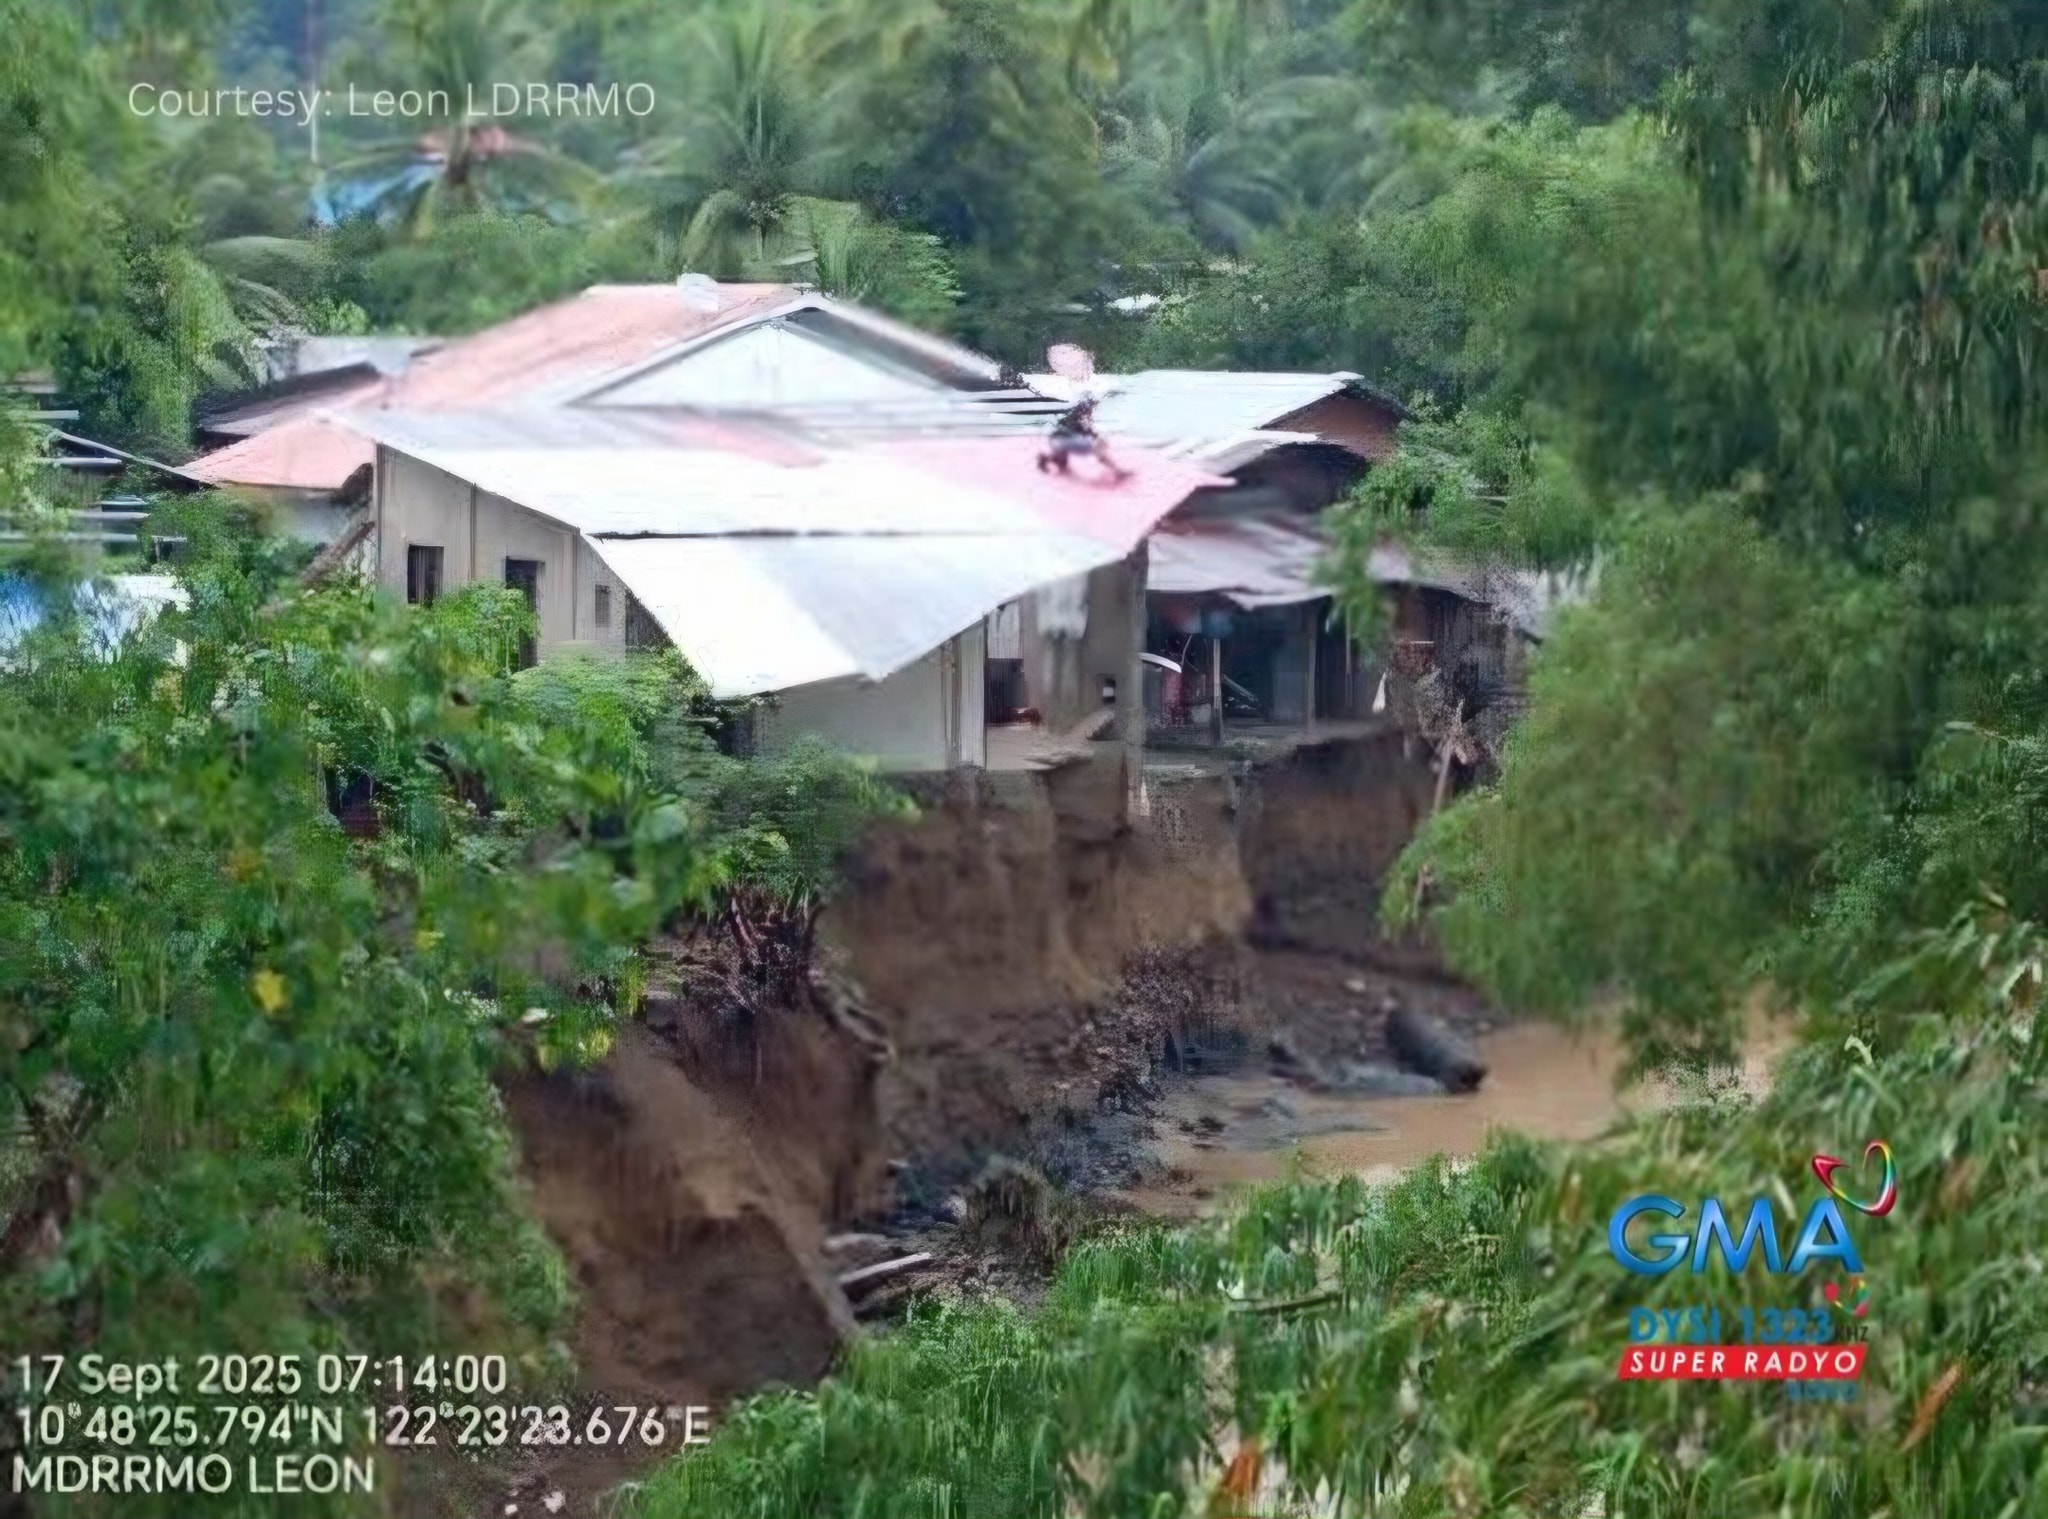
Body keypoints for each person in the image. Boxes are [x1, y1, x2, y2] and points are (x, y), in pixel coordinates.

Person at [1037, 396, 1132, 480]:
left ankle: (1047, 458)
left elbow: (1078, 427)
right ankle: (1118, 472)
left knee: (1063, 463)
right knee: (1098, 451)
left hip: (1060, 439)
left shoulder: (1076, 414)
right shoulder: (1083, 413)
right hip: (1063, 440)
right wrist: (1093, 435)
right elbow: (1084, 427)